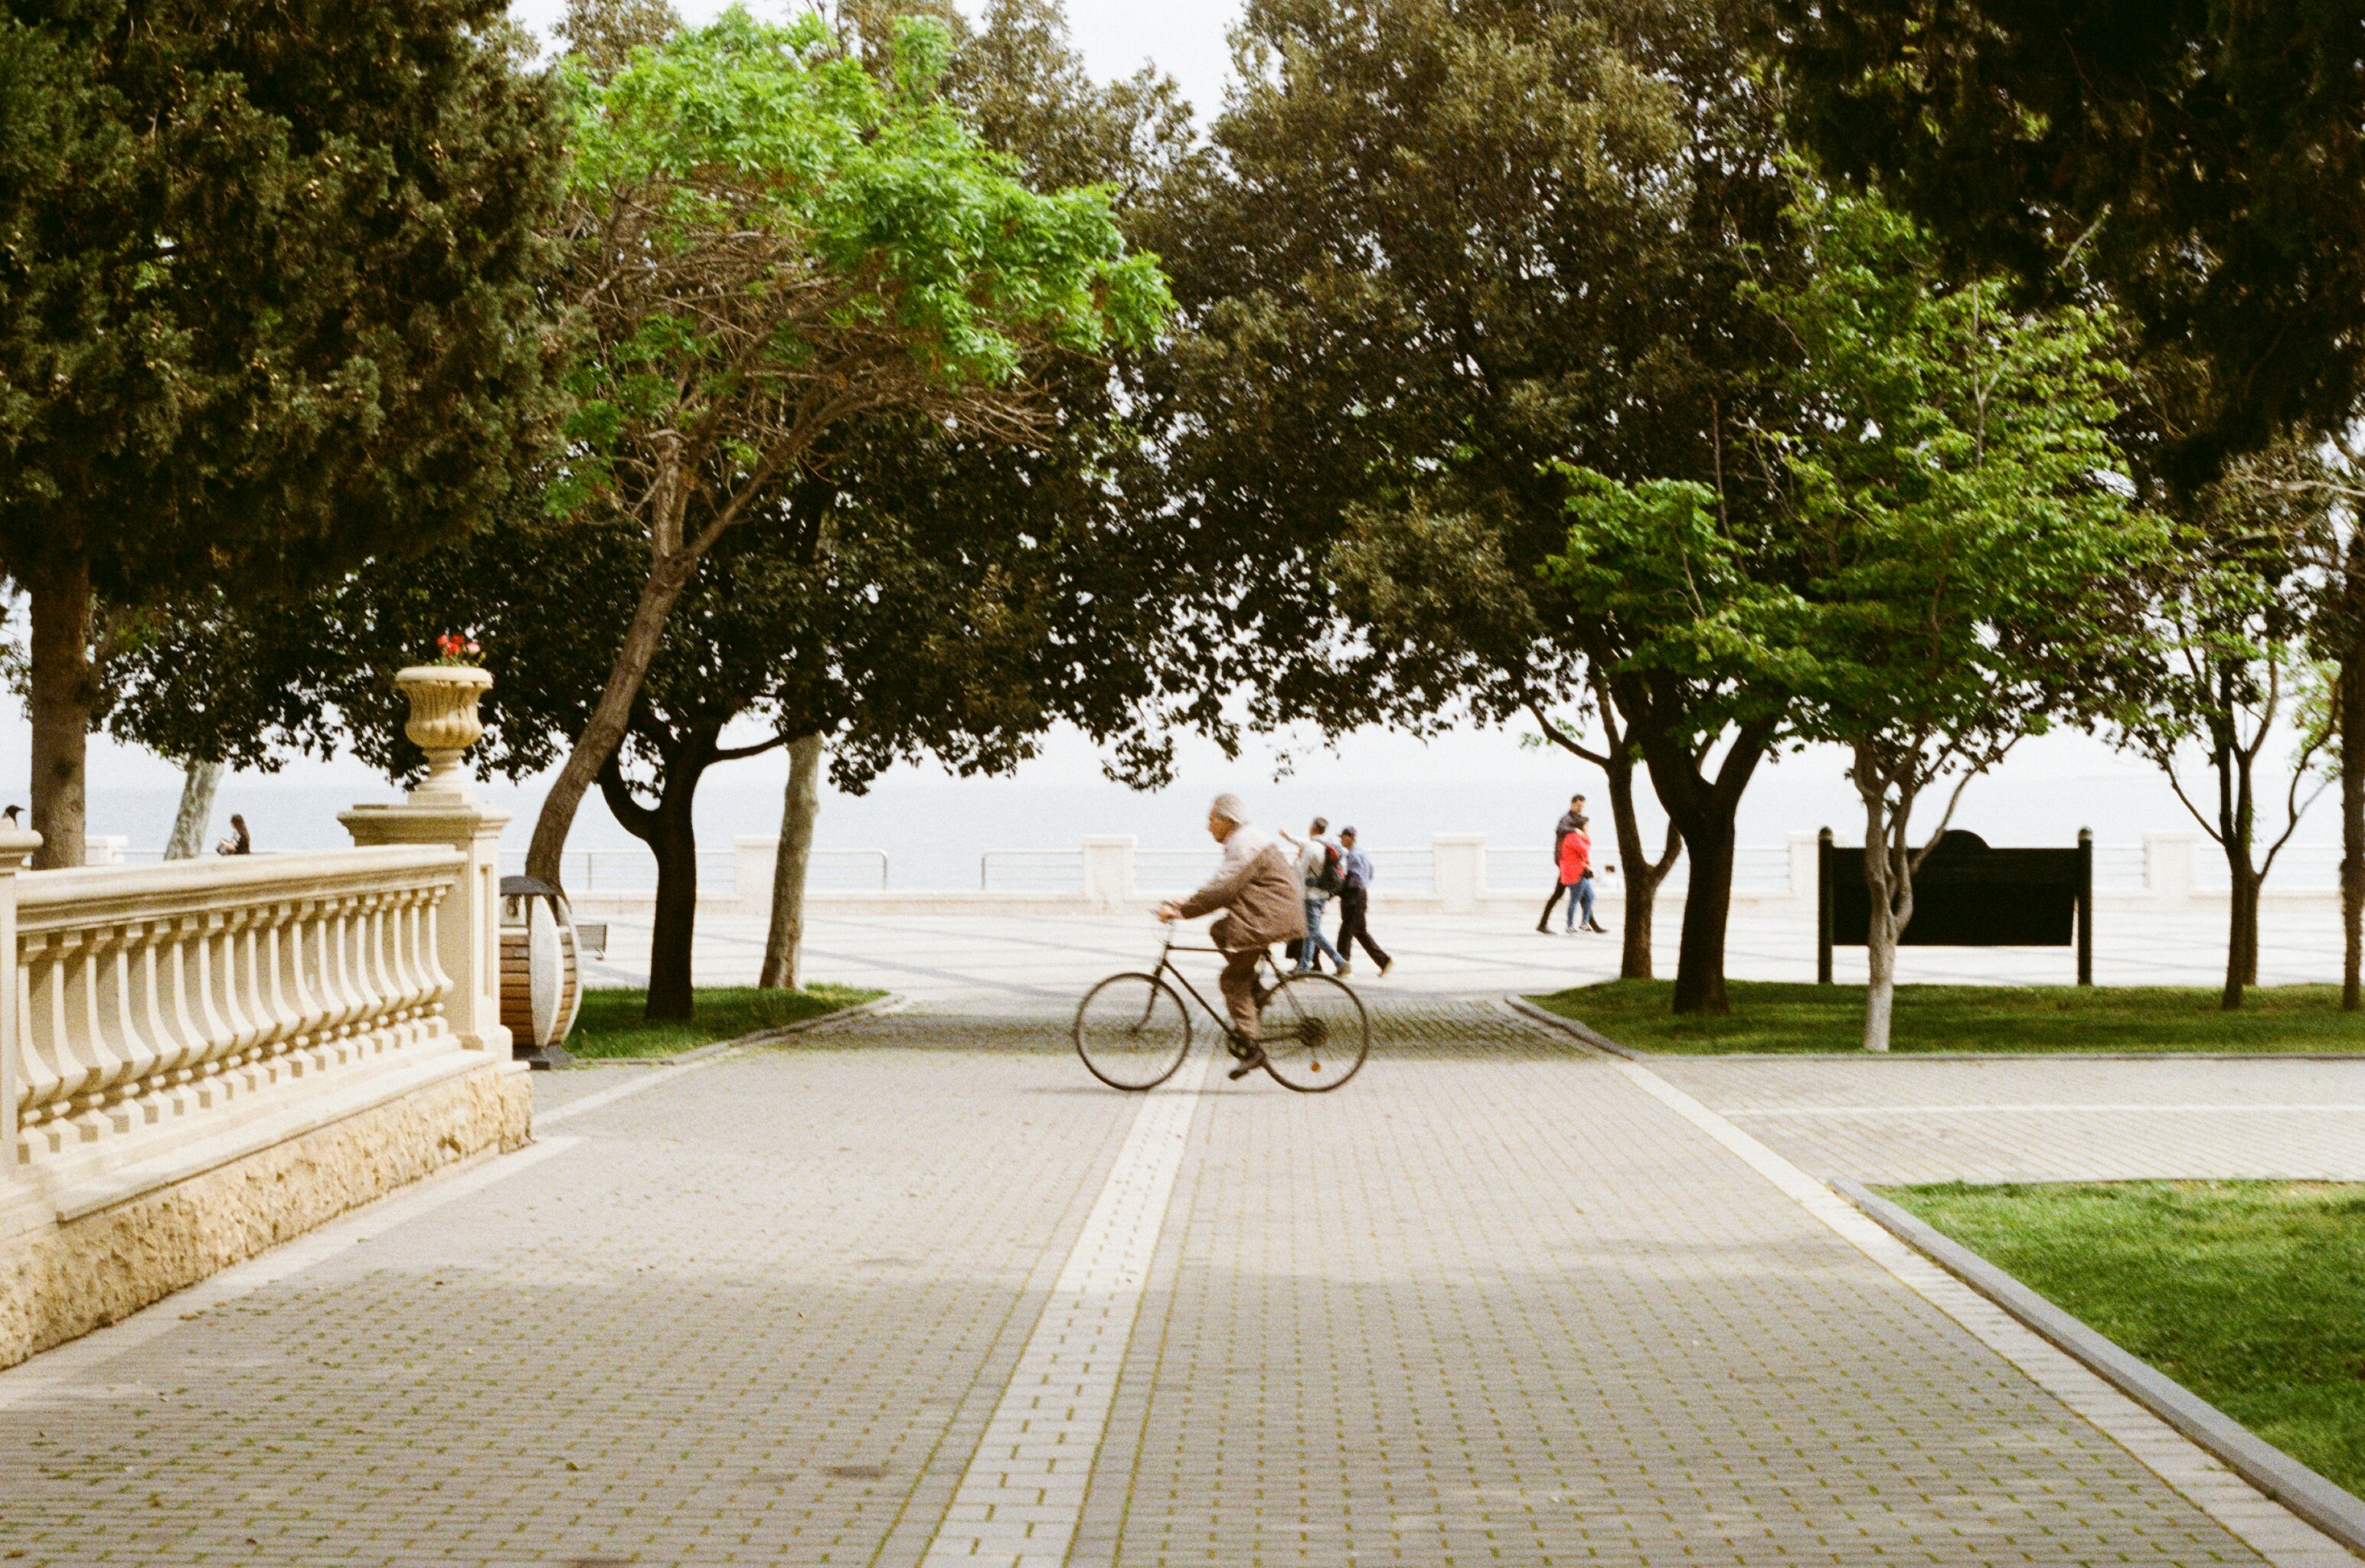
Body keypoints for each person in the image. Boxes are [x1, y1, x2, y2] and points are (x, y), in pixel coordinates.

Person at [1158, 793, 1306, 1076]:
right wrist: (1185, 902)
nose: (1208, 826)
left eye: (1211, 819)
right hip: (1268, 912)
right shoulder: (1244, 840)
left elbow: (1223, 889)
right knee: (1220, 930)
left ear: (1227, 820)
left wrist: (1181, 912)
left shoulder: (1243, 844)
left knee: (1231, 980)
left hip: (1267, 917)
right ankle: (1256, 990)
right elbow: (1224, 884)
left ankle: (1253, 1047)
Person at [1281, 816, 1347, 975]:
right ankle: (1303, 967)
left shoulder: (1311, 848)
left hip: (1310, 896)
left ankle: (1340, 962)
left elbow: (1299, 872)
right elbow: (1304, 843)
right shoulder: (1329, 844)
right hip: (1323, 893)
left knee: (1314, 933)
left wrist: (1297, 860)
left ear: (1313, 828)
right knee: (1311, 932)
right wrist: (1289, 838)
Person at [1333, 826, 1392, 978]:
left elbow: (1354, 879)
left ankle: (1343, 966)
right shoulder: (1361, 853)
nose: (1341, 840)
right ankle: (1384, 961)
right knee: (1360, 932)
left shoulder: (1353, 855)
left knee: (1345, 933)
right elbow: (1370, 872)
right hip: (1362, 895)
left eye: (1343, 837)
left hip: (1353, 897)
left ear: (1351, 838)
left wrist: (1341, 889)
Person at [1537, 793, 1586, 933]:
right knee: (1562, 893)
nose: (1580, 808)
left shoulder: (1577, 819)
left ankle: (1588, 923)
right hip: (1565, 863)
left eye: (1582, 806)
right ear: (1572, 804)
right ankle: (1543, 923)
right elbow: (1560, 829)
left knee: (1582, 891)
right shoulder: (1566, 819)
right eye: (1578, 805)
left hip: (1573, 863)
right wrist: (1576, 829)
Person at [1558, 816, 1608, 933]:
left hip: (1581, 873)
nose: (1588, 828)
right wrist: (1584, 837)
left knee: (1590, 896)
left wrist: (1585, 838)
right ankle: (1570, 925)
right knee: (1575, 899)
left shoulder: (1578, 837)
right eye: (1586, 826)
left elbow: (1585, 849)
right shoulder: (1572, 837)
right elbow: (1584, 850)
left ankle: (1584, 923)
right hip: (1574, 873)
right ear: (1581, 827)